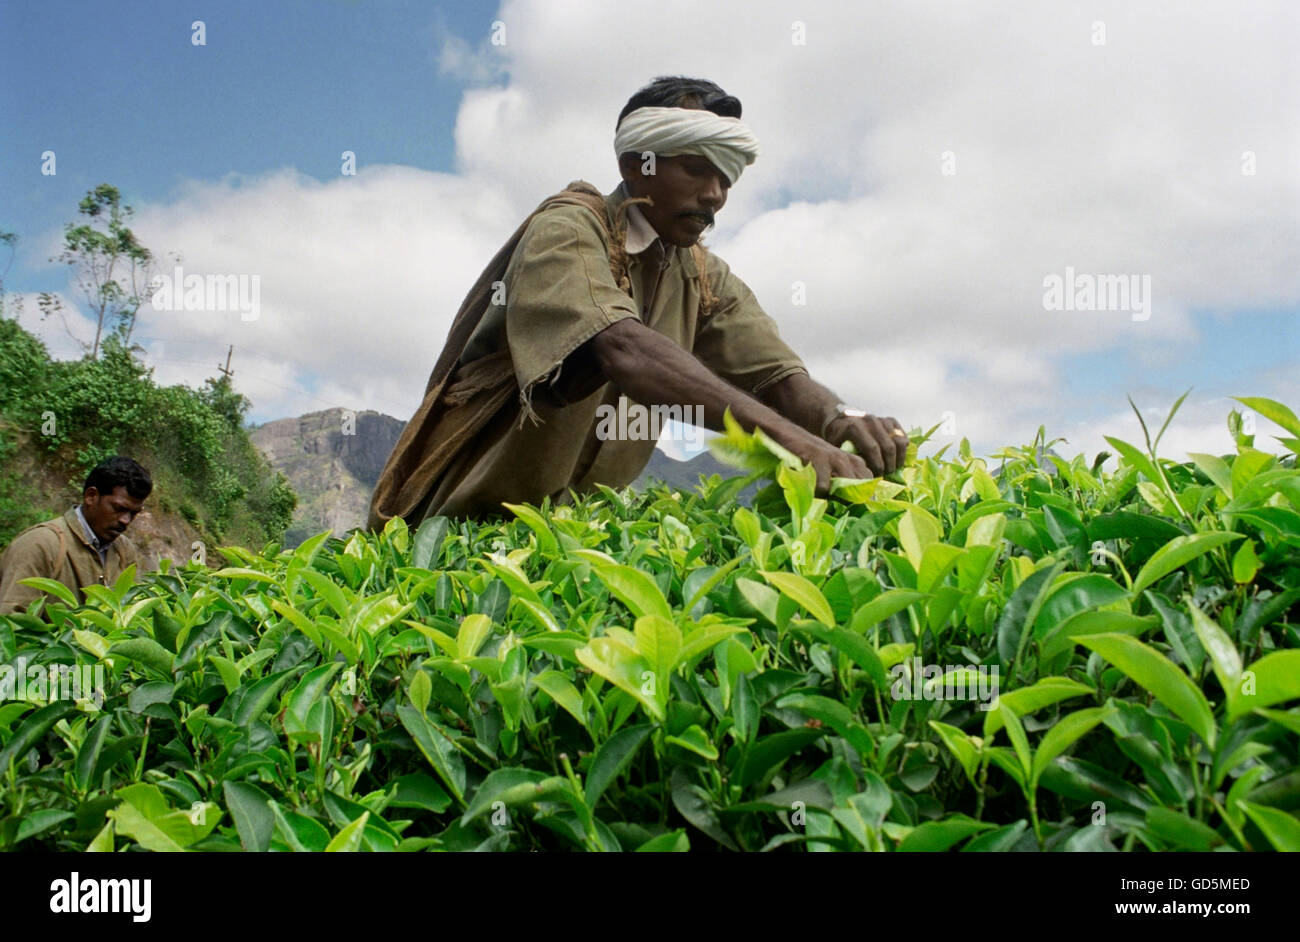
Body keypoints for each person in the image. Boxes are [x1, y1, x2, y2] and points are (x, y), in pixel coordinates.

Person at [367, 76, 907, 528]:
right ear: (635, 165)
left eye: (725, 177)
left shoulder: (701, 273)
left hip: (562, 545)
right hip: (452, 530)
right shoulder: (569, 229)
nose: (715, 194)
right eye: (695, 170)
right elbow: (622, 349)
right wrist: (791, 439)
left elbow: (776, 376)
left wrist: (840, 420)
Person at [0, 456, 151, 614]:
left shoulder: (124, 551)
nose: (125, 520)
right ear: (91, 496)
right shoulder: (39, 545)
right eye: (118, 508)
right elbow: (12, 623)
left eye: (133, 513)